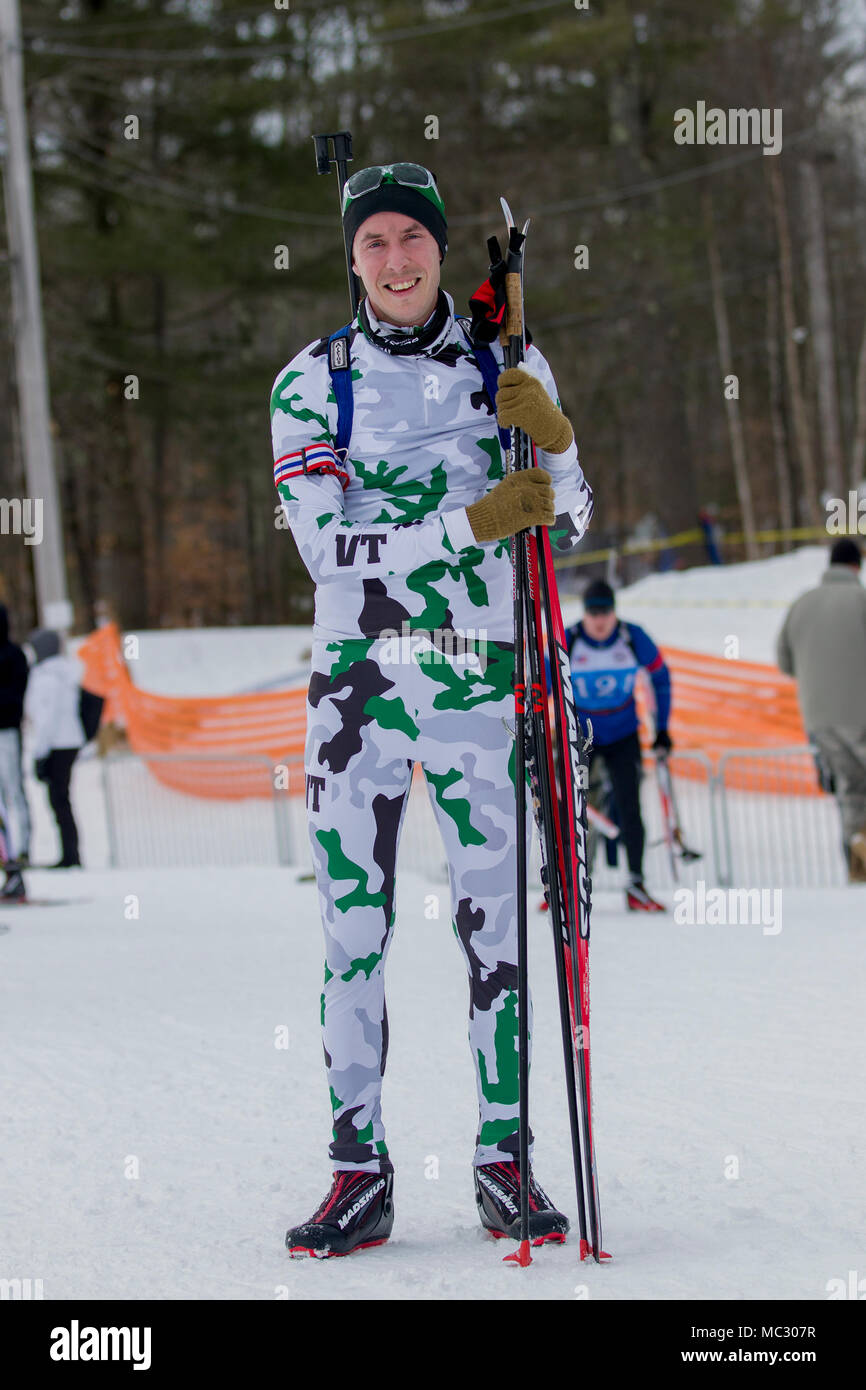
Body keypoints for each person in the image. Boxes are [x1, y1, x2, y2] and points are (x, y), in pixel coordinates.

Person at [270, 162, 593, 1256]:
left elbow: (570, 516)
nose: (396, 260)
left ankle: (505, 1154)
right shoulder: (311, 382)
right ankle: (354, 1166)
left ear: (442, 249)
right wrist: (467, 524)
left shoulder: (504, 360)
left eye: (412, 238)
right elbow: (327, 549)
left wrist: (550, 439)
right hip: (356, 688)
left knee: (495, 925)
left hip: (476, 679)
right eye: (374, 243)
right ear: (350, 257)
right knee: (350, 930)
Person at [564, 579, 672, 912]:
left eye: (605, 612)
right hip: (584, 733)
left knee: (630, 808)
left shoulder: (632, 636)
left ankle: (636, 884)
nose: (600, 620)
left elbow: (661, 678)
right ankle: (573, 884)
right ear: (585, 613)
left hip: (624, 732)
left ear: (614, 611)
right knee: (577, 808)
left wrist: (663, 729)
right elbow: (545, 682)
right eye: (593, 613)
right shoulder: (570, 639)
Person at [776, 538, 866, 883]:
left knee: (850, 789)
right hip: (861, 714)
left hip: (819, 719)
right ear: (857, 566)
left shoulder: (802, 604)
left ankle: (856, 862)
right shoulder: (860, 599)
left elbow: (785, 662)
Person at [24, 629, 85, 869]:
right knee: (62, 800)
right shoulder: (65, 674)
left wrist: (40, 754)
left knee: (59, 800)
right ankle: (70, 853)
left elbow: (45, 719)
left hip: (56, 744)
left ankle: (70, 855)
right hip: (68, 741)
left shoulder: (47, 678)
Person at [0, 604, 31, 900]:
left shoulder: (12, 656)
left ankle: (18, 857)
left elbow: (15, 697)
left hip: (6, 733)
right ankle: (9, 862)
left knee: (12, 794)